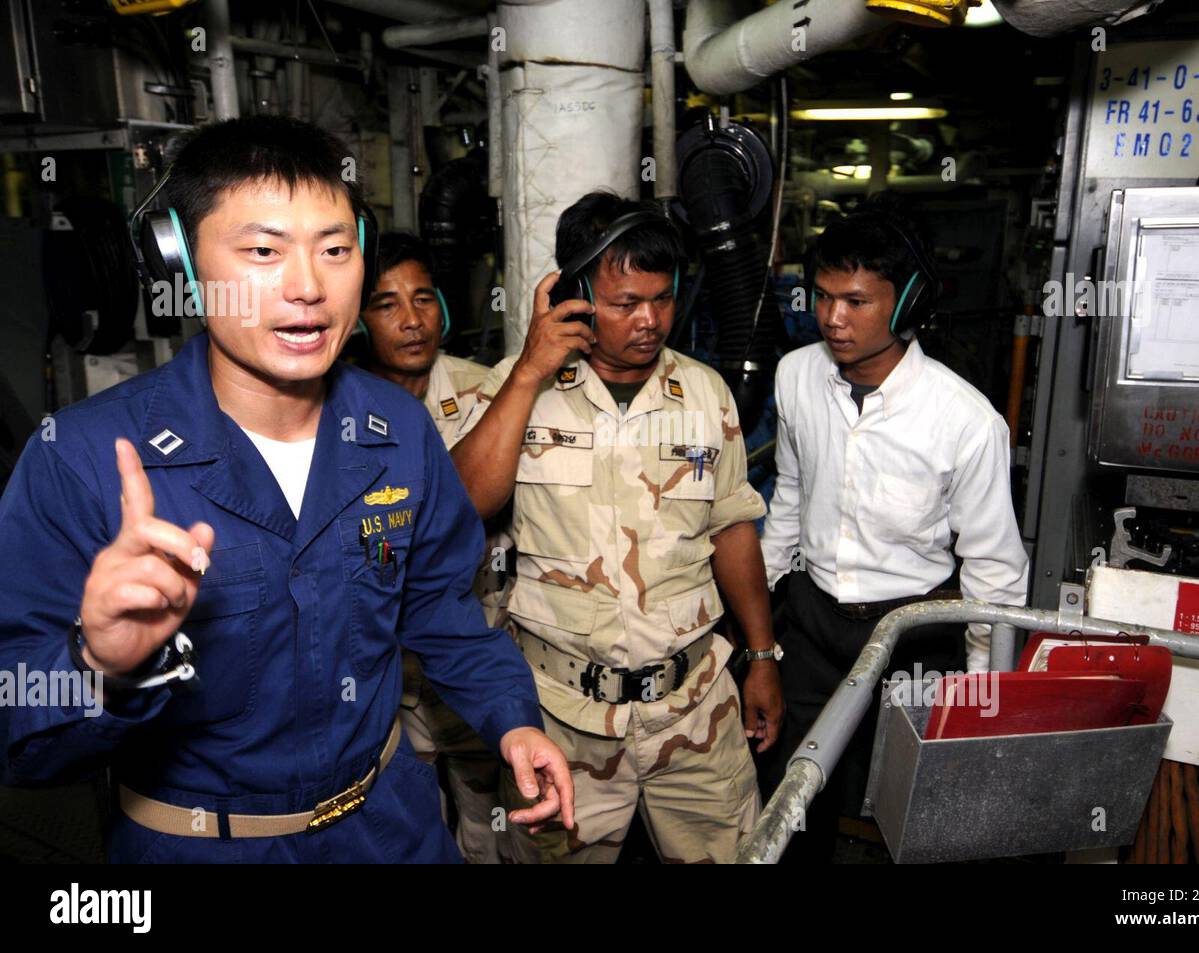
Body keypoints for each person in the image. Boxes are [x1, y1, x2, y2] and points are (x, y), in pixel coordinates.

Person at [0, 115, 572, 862]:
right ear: (179, 263)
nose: (308, 288)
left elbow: (439, 608)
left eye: (335, 251)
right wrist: (99, 664)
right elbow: (18, 731)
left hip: (390, 830)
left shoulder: (397, 429)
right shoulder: (79, 460)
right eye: (263, 251)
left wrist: (512, 719)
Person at [451, 191, 782, 863]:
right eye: (626, 302)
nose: (651, 320)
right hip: (560, 721)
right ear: (573, 293)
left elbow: (733, 528)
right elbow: (463, 501)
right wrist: (529, 372)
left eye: (662, 299)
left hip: (694, 710)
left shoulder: (706, 393)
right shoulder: (513, 390)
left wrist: (763, 656)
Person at [760, 205, 1029, 863]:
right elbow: (788, 500)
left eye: (856, 300)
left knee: (911, 818)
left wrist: (978, 700)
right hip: (814, 623)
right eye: (823, 297)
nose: (833, 318)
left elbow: (993, 572)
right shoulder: (797, 375)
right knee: (793, 807)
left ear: (905, 301)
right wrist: (758, 633)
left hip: (916, 636)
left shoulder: (966, 422)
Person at [358, 231, 512, 863]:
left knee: (493, 828)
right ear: (358, 318)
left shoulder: (490, 397)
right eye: (387, 303)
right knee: (402, 830)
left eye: (423, 299)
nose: (412, 319)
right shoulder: (336, 407)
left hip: (476, 648)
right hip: (385, 670)